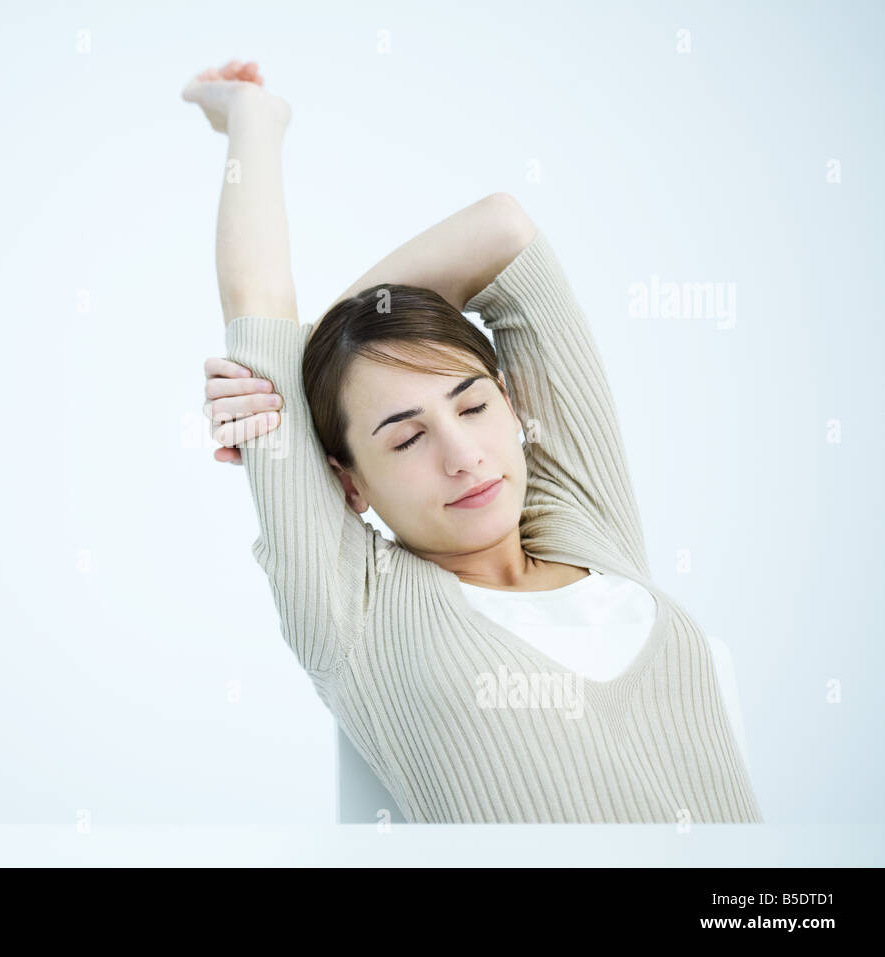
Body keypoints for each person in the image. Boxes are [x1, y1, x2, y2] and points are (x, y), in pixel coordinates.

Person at [183, 60, 760, 823]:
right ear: (348, 483)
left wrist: (321, 353)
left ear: (514, 407)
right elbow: (259, 303)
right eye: (404, 436)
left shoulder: (588, 527)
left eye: (473, 405)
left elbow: (503, 229)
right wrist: (253, 118)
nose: (463, 454)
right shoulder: (358, 609)